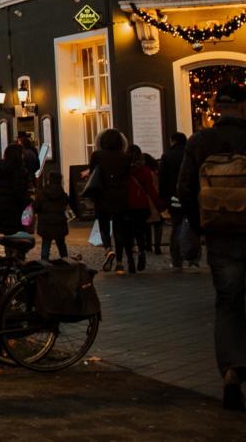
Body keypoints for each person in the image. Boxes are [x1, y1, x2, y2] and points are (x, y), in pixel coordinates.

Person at [177, 81, 246, 410]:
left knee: (228, 302)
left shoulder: (200, 141)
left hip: (220, 234)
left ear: (216, 108)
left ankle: (231, 369)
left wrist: (200, 224)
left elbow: (185, 189)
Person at [89, 128, 131, 273]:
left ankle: (108, 249)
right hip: (120, 196)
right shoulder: (125, 157)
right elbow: (127, 177)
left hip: (102, 195)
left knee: (104, 226)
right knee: (120, 229)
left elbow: (93, 174)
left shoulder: (97, 155)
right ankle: (119, 262)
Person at [125, 145, 160, 273]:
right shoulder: (144, 170)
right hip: (142, 205)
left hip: (127, 205)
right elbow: (150, 190)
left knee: (127, 234)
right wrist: (159, 205)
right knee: (139, 231)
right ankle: (141, 251)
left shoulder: (123, 169)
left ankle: (130, 261)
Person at [159, 131, 188, 265]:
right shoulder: (189, 154)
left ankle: (176, 258)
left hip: (173, 196)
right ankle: (192, 254)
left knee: (176, 225)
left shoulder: (167, 156)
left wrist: (163, 199)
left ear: (173, 141)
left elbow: (162, 179)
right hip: (189, 195)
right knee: (191, 223)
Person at [0, 143, 33, 236]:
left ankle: (9, 250)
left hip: (1, 207)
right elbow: (20, 191)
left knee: (7, 234)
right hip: (15, 208)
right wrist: (29, 202)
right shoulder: (19, 169)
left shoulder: (0, 167)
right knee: (18, 235)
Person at [35, 170, 71, 260]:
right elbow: (66, 203)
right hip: (59, 224)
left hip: (46, 224)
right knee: (61, 245)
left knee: (46, 245)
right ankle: (66, 263)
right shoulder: (63, 194)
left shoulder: (42, 193)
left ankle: (44, 263)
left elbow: (36, 206)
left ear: (49, 180)